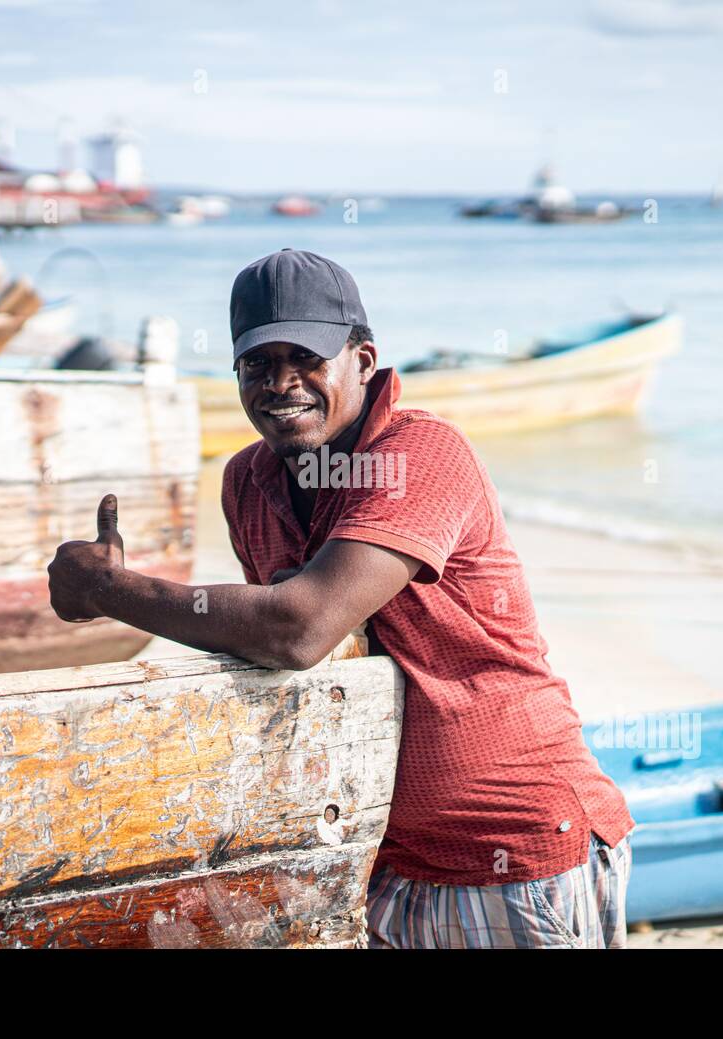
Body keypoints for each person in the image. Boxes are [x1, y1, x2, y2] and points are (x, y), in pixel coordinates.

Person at [47, 248, 636, 948]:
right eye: (258, 366)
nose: (282, 383)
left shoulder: (422, 455)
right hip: (376, 856)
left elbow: (298, 628)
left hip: (513, 851)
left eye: (307, 359)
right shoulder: (247, 481)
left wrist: (111, 589)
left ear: (363, 359)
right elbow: (283, 663)